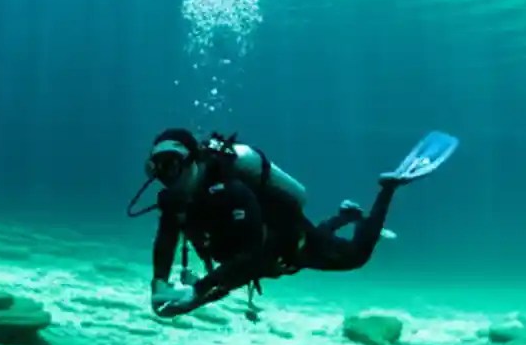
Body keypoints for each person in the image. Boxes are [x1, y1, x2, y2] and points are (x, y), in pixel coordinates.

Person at [125, 127, 459, 318]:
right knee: (318, 236)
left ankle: (387, 189)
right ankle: (346, 214)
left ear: (194, 161)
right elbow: (166, 241)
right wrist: (159, 283)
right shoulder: (174, 201)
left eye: (173, 164)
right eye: (157, 169)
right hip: (260, 254)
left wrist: (197, 292)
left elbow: (254, 257)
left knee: (355, 256)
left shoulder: (231, 192)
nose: (167, 178)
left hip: (285, 246)